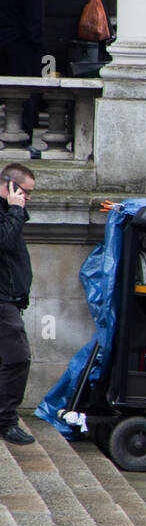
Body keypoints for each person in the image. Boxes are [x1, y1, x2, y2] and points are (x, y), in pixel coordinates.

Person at [0, 163, 35, 444]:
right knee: (18, 358)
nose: (28, 198)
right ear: (10, 186)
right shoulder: (7, 212)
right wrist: (14, 208)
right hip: (2, 302)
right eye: (26, 192)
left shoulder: (10, 212)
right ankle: (6, 421)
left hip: (10, 300)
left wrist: (15, 209)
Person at [0, 0, 44, 141]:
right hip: (20, 46)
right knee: (23, 93)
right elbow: (34, 20)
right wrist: (36, 46)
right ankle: (22, 137)